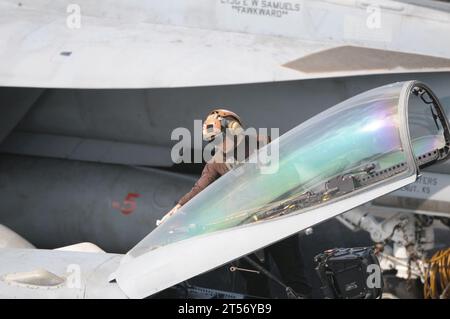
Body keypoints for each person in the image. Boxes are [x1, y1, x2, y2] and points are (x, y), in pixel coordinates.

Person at [160, 109, 312, 298]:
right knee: (255, 283)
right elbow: (199, 188)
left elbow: (289, 172)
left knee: (294, 277)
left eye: (218, 138)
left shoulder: (264, 142)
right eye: (213, 141)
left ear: (232, 129)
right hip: (246, 226)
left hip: (278, 218)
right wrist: (179, 207)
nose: (217, 145)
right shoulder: (217, 161)